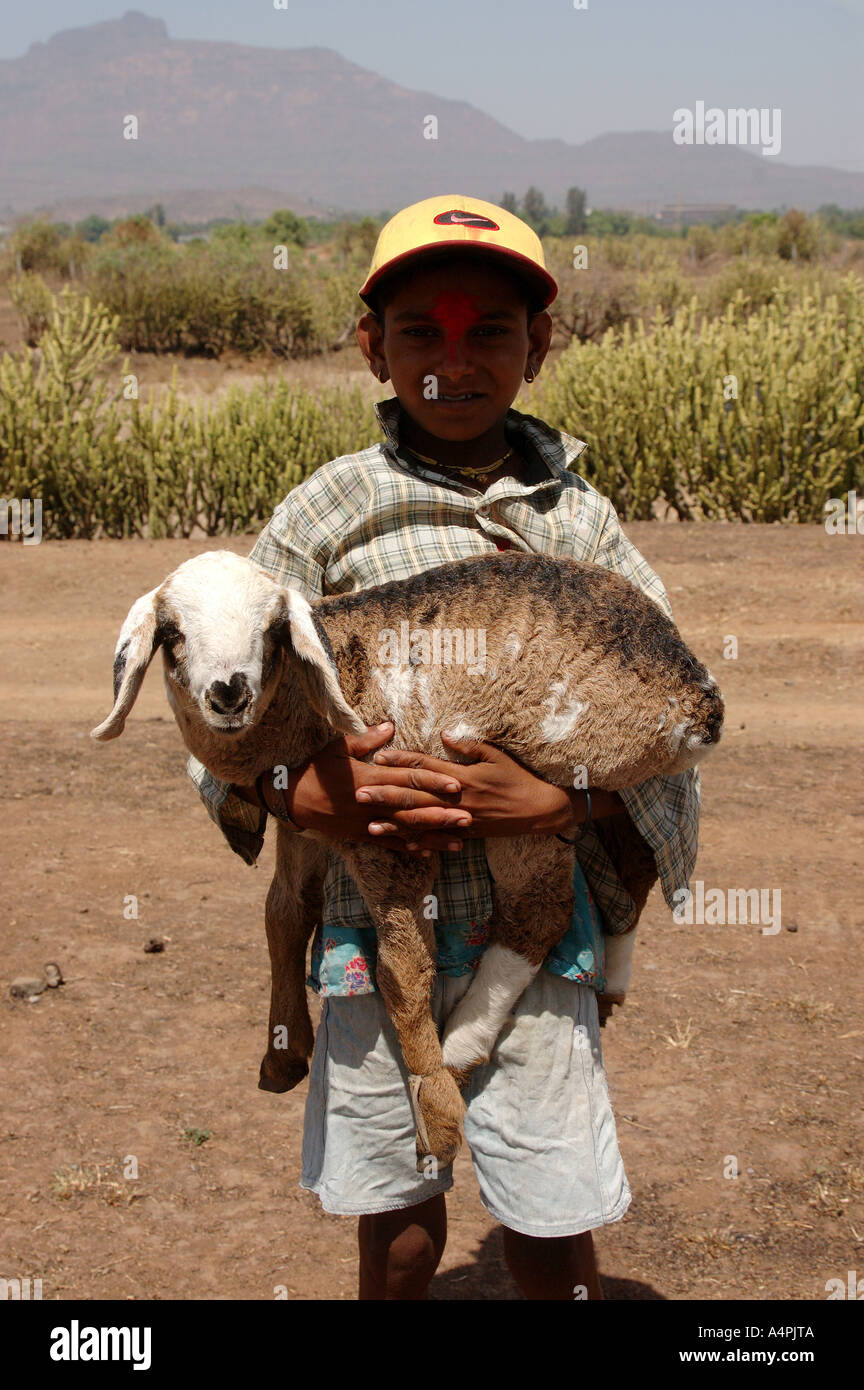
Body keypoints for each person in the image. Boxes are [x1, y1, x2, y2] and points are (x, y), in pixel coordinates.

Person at [188, 195, 701, 1300]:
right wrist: (304, 790)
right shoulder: (326, 519)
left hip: (539, 943)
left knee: (551, 1225)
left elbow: (662, 724)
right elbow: (223, 714)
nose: (453, 362)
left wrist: (564, 808)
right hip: (371, 944)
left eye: (491, 332)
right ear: (373, 343)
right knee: (403, 1231)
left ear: (540, 345)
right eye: (421, 331)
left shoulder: (579, 524)